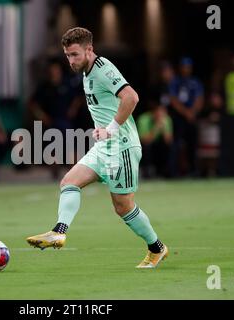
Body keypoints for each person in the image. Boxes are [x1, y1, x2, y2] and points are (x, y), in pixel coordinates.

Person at [27, 27, 168, 269]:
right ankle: (58, 232)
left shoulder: (103, 70)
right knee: (69, 182)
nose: (70, 61)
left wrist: (111, 127)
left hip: (121, 147)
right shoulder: (85, 71)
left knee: (123, 207)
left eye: (75, 55)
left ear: (89, 50)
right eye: (67, 55)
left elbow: (131, 97)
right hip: (105, 146)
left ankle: (157, 248)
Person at [169, 57, 204, 176]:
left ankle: (193, 170)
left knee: (192, 144)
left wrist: (192, 112)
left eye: (188, 67)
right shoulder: (175, 81)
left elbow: (200, 99)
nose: (186, 69)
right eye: (184, 66)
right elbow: (173, 100)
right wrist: (186, 112)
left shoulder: (195, 82)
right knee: (176, 144)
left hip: (192, 117)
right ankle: (174, 171)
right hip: (179, 117)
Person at [138, 101, 173, 178]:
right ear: (153, 112)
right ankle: (146, 172)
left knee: (169, 148)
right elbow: (144, 140)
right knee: (147, 147)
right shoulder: (144, 119)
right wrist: (156, 128)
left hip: (159, 144)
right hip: (145, 144)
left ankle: (165, 172)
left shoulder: (166, 119)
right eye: (159, 112)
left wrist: (163, 128)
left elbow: (168, 141)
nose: (161, 115)